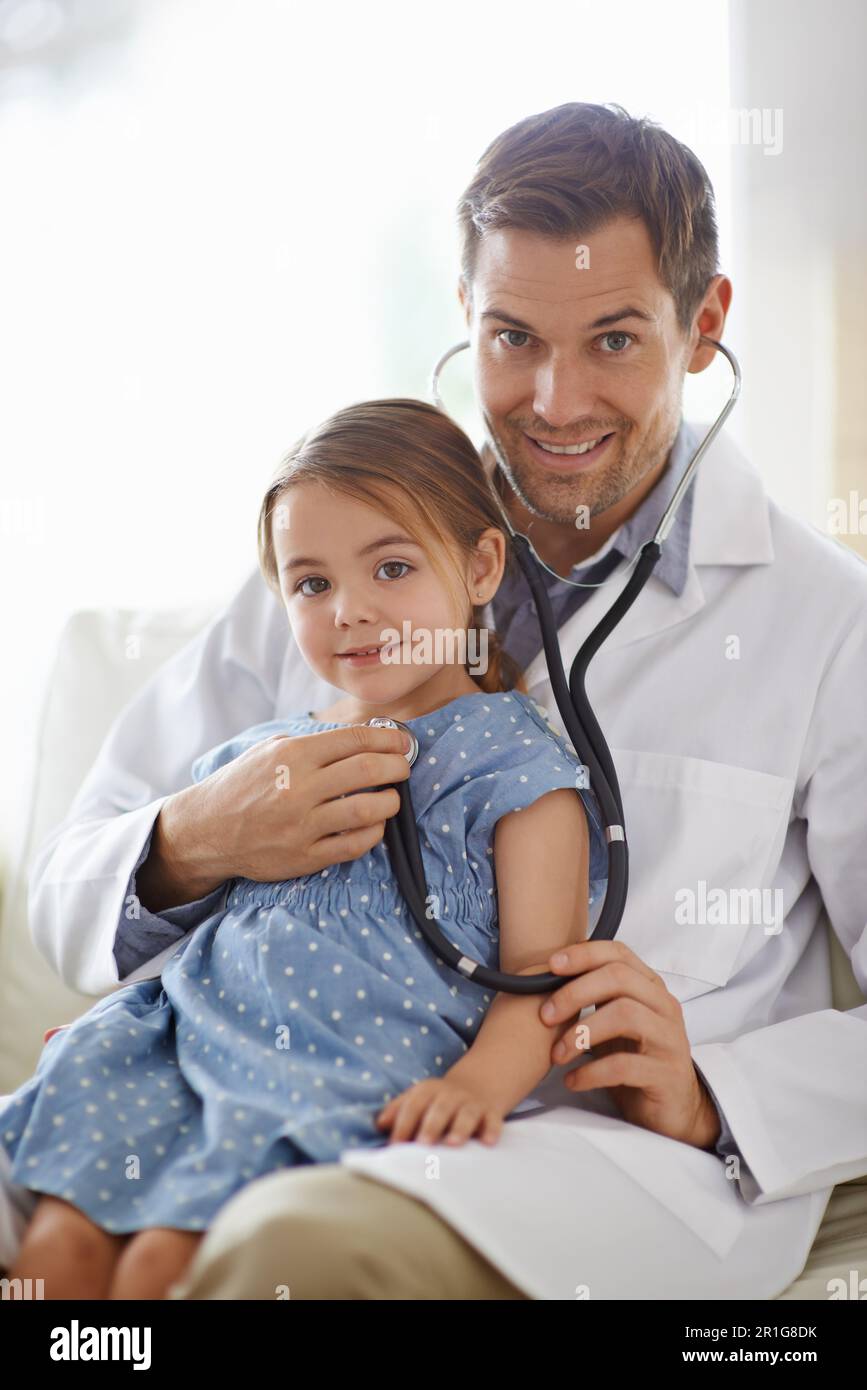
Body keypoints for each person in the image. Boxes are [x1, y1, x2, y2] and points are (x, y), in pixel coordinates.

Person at [5, 101, 866, 1301]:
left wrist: (713, 1091)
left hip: (600, 1160)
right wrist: (195, 838)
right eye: (514, 337)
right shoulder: (340, 562)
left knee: (285, 1248)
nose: (556, 404)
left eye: (615, 340)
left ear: (705, 323)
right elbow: (68, 876)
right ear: (464, 314)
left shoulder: (831, 624)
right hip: (283, 1084)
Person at [2, 399, 610, 1299]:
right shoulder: (262, 756)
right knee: (56, 1258)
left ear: (481, 565)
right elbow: (203, 927)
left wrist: (479, 1085)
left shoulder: (515, 773)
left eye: (392, 568)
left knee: (165, 1267)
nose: (350, 612)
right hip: (169, 1048)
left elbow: (542, 977)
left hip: (325, 1066)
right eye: (311, 585)